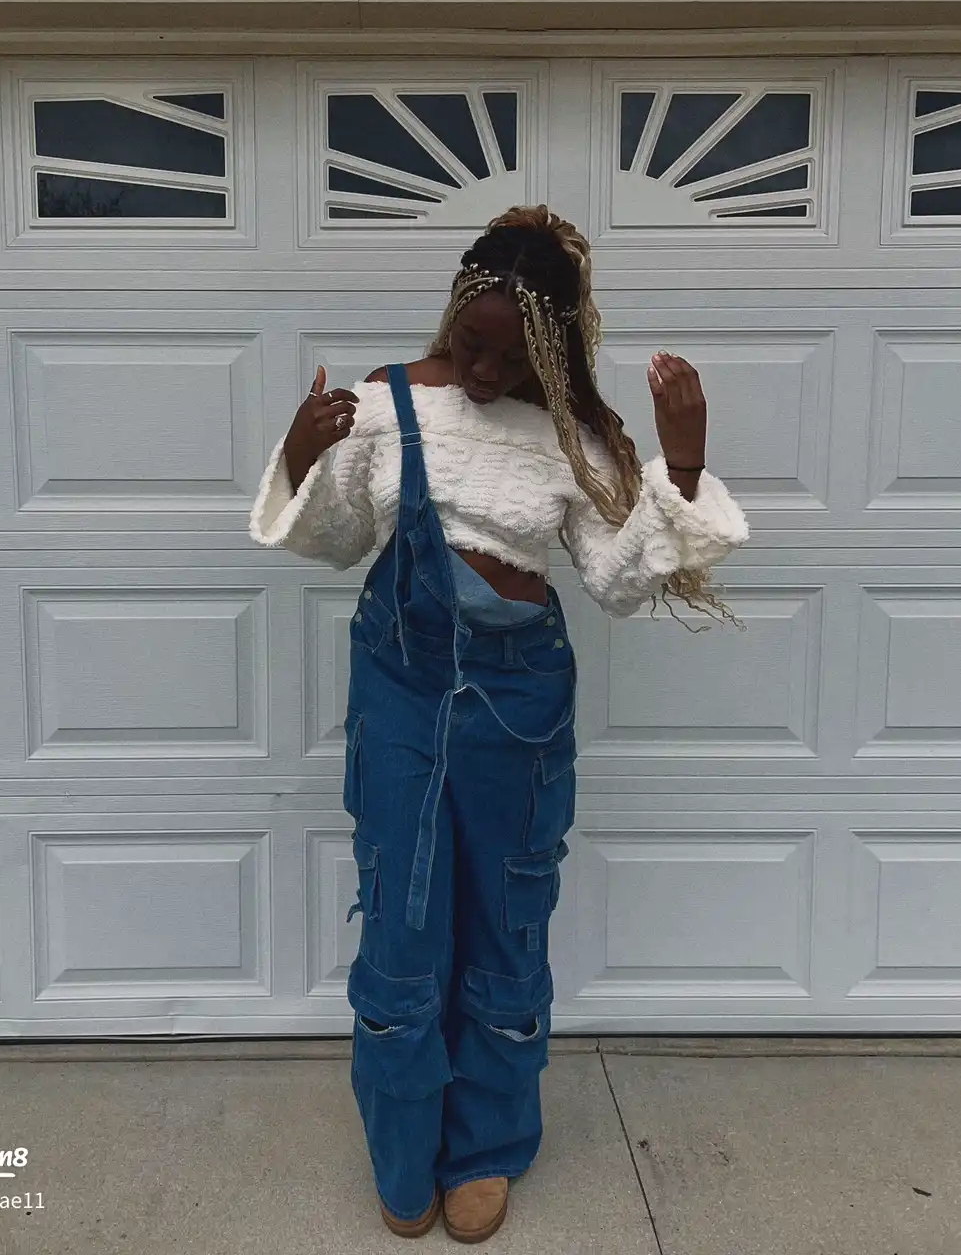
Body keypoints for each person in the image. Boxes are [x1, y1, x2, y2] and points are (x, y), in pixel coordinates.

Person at [249, 205, 749, 1243]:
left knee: (507, 931)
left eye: (511, 356)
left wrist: (683, 469)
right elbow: (336, 539)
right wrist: (301, 457)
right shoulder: (389, 404)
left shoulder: (569, 441)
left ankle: (483, 1148)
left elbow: (613, 582)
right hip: (400, 691)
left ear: (554, 352)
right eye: (471, 344)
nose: (483, 370)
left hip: (519, 713)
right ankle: (404, 1153)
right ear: (449, 319)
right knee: (401, 931)